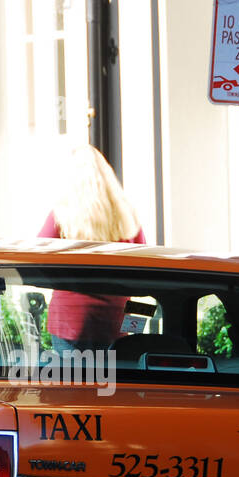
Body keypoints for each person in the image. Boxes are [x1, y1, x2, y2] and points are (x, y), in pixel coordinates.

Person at [38, 145, 145, 354]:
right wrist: (136, 321)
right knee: (113, 383)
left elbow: (36, 255)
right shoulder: (126, 215)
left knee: (73, 383)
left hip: (69, 318)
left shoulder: (62, 214)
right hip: (117, 319)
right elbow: (144, 267)